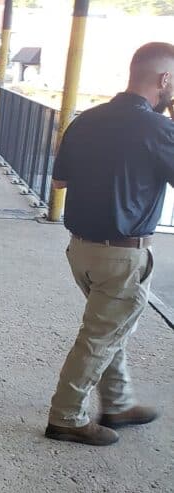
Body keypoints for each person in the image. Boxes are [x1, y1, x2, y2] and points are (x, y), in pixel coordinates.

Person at [44, 42, 174, 446]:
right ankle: (66, 416)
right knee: (99, 336)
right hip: (122, 253)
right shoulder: (157, 128)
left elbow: (60, 182)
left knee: (109, 327)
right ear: (164, 80)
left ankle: (117, 402)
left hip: (80, 250)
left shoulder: (86, 119)